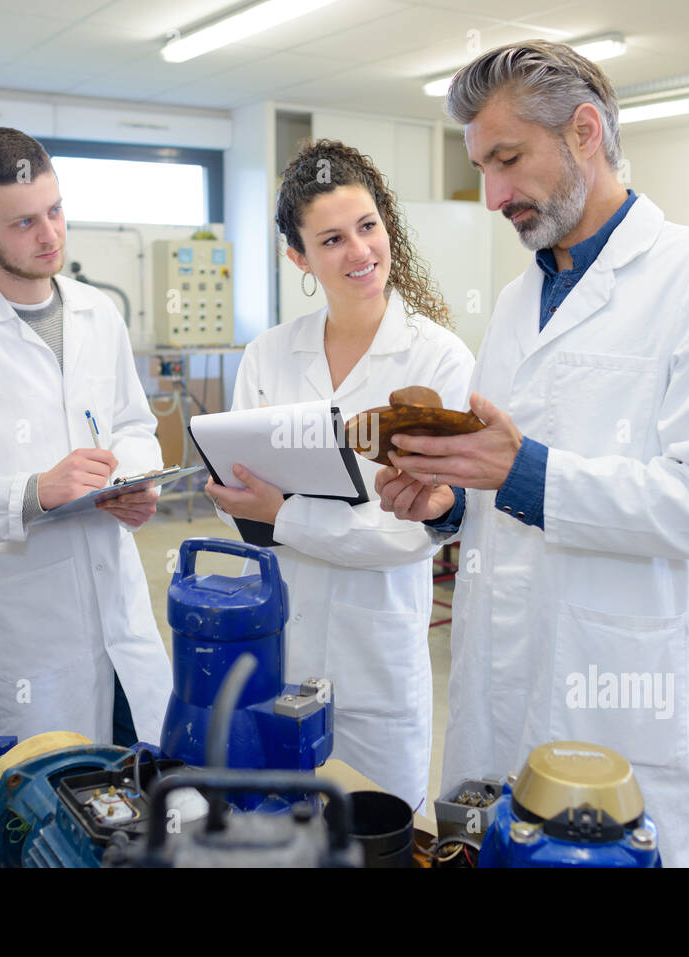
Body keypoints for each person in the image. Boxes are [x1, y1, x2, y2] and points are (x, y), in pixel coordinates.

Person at [376, 41, 689, 865]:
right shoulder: (518, 296)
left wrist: (520, 473)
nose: (492, 195)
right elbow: (504, 477)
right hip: (500, 682)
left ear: (586, 132)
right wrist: (452, 499)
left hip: (618, 688)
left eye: (507, 160)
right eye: (481, 167)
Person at [206, 140, 474, 812]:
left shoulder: (438, 358)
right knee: (284, 830)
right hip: (281, 643)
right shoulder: (269, 354)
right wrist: (262, 510)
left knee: (379, 830)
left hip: (378, 658)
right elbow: (235, 501)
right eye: (331, 239)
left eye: (368, 226)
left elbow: (412, 533)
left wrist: (285, 514)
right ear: (299, 257)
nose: (359, 252)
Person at [0, 127, 172, 746]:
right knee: (45, 816)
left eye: (56, 210)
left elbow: (132, 425)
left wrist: (135, 481)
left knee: (144, 789)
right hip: (26, 640)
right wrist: (33, 493)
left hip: (122, 614)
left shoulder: (100, 313)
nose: (49, 236)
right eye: (22, 223)